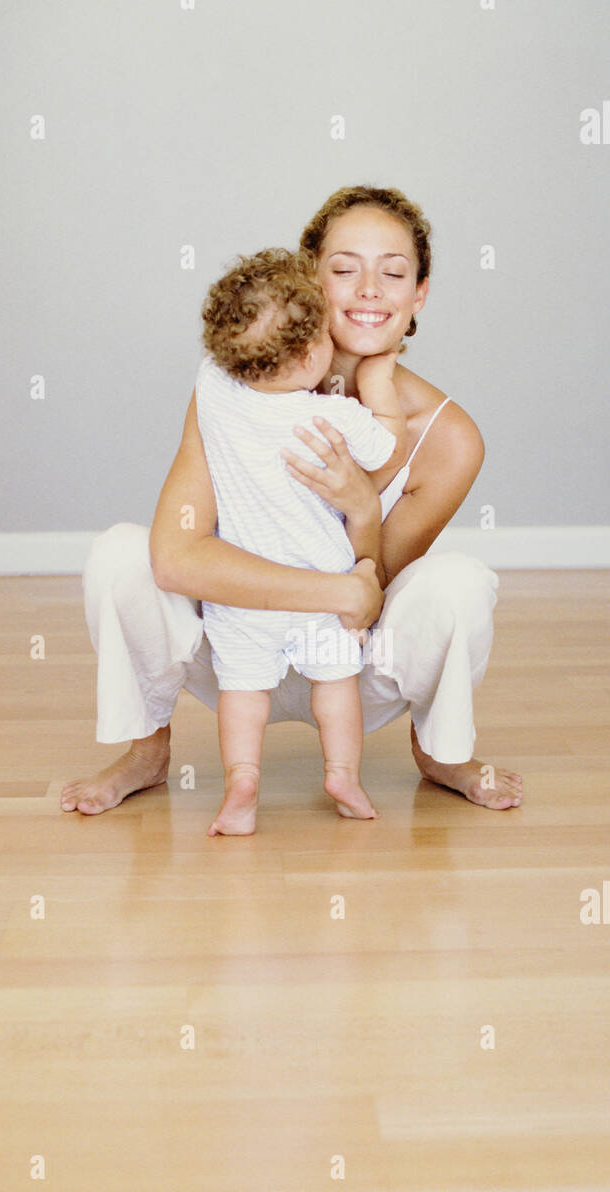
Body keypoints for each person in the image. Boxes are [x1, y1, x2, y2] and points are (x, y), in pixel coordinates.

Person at [60, 186, 523, 816]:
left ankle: (439, 752)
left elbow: (374, 596)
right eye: (343, 269)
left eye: (392, 272)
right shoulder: (230, 385)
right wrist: (336, 591)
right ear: (309, 279)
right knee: (120, 554)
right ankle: (146, 752)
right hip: (235, 648)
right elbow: (174, 560)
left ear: (419, 294)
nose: (368, 290)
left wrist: (362, 507)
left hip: (349, 667)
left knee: (461, 580)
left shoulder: (451, 438)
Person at [197, 247, 405, 833]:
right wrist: (376, 380)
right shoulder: (329, 420)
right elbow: (387, 445)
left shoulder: (216, 391)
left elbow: (229, 353)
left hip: (244, 596)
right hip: (326, 592)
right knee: (335, 686)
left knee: (243, 695)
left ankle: (242, 782)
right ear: (314, 351)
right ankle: (342, 775)